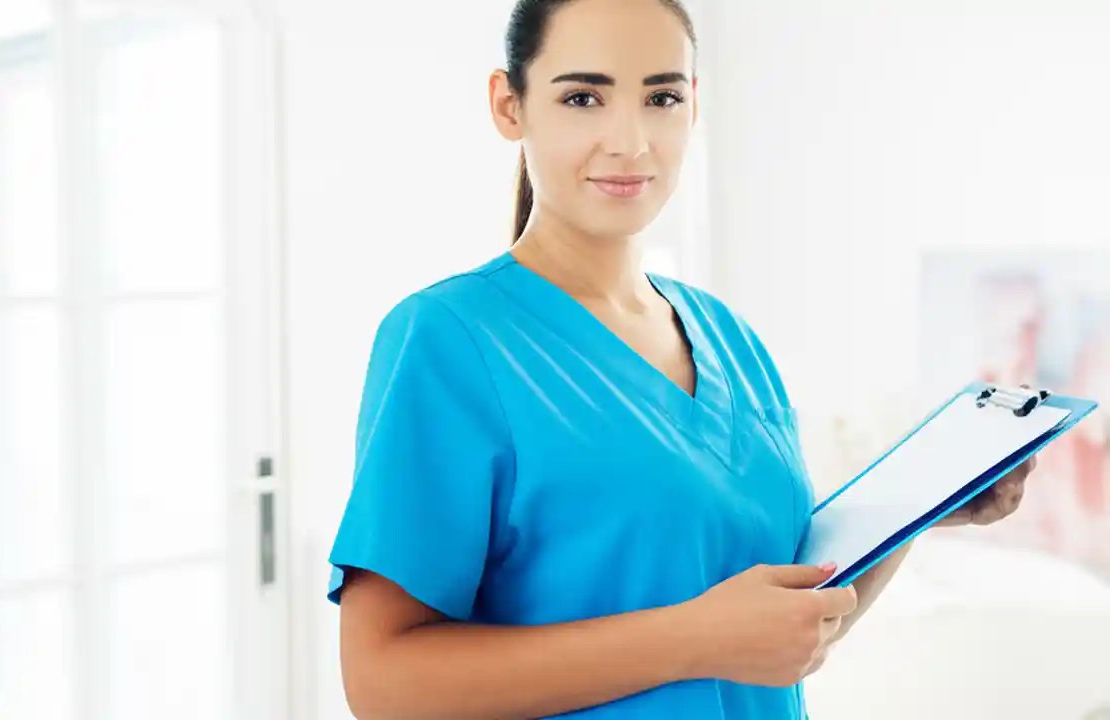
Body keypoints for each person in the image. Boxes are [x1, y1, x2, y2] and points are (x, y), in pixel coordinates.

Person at [324, 0, 1035, 717]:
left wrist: (920, 509)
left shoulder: (730, 339)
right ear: (510, 106)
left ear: (693, 106)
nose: (630, 141)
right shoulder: (449, 338)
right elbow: (386, 683)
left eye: (661, 97)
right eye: (583, 98)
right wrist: (695, 639)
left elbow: (779, 635)